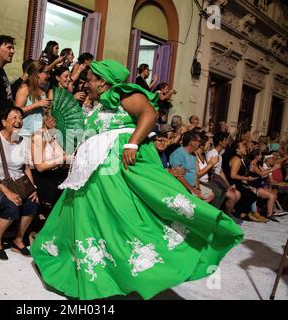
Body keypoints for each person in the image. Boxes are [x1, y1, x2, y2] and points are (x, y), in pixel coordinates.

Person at [31, 60, 243, 300]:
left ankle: (141, 267)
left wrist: (132, 142)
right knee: (90, 220)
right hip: (94, 173)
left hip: (115, 168)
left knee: (124, 217)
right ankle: (91, 271)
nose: (86, 83)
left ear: (102, 81)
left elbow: (149, 113)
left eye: (90, 79)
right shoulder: (98, 105)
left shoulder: (122, 93)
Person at [0, 107, 39, 260]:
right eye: (14, 117)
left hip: (19, 183)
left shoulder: (23, 140)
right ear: (4, 122)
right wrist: (7, 192)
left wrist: (32, 187)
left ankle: (18, 240)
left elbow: (26, 168)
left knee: (33, 203)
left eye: (20, 118)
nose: (18, 121)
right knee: (12, 205)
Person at [229, 141, 266, 222]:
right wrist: (247, 179)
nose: (245, 148)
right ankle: (238, 213)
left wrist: (247, 174)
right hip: (234, 183)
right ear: (237, 150)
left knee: (252, 193)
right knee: (251, 194)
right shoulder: (236, 159)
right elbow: (233, 175)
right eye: (243, 146)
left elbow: (241, 173)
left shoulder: (241, 159)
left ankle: (242, 214)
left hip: (240, 182)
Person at [206, 132, 241, 218]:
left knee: (237, 193)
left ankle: (225, 213)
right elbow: (210, 171)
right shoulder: (212, 153)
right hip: (212, 181)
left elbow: (221, 172)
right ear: (220, 142)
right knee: (233, 196)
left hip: (218, 180)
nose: (226, 142)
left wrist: (228, 185)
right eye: (225, 140)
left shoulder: (219, 155)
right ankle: (227, 215)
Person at [14, 60, 51, 138]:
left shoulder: (43, 91)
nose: (49, 76)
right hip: (24, 134)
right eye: (46, 72)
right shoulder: (24, 88)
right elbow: (16, 112)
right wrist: (37, 104)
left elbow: (40, 114)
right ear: (38, 73)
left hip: (38, 134)